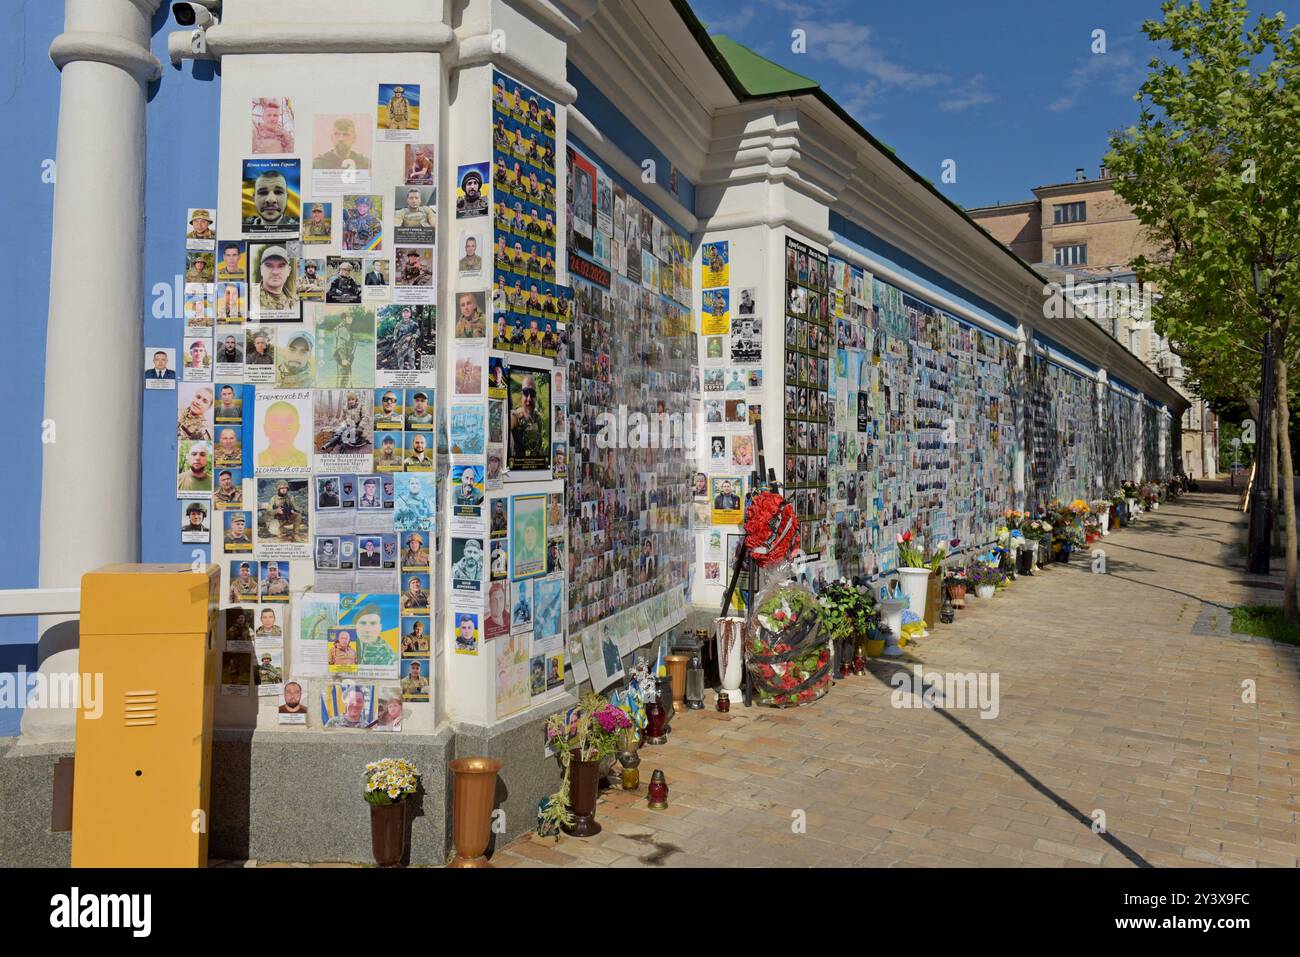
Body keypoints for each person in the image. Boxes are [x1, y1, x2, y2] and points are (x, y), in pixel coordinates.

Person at [257, 401, 307, 468]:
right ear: (265, 429)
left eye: (289, 428)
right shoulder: (257, 460)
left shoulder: (305, 460)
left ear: (297, 429)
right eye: (275, 428)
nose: (282, 434)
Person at [509, 373, 546, 463]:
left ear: (535, 397)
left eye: (532, 393)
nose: (529, 398)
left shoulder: (538, 418)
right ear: (522, 395)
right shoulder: (515, 416)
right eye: (526, 393)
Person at [255, 245, 296, 313]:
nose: (275, 272)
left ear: (289, 271)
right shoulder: (250, 298)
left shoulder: (294, 301)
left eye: (281, 266)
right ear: (261, 270)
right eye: (269, 265)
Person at [332, 312, 356, 386]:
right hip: (343, 357)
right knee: (343, 379)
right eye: (348, 317)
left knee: (344, 377)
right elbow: (340, 345)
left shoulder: (346, 328)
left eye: (351, 317)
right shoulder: (342, 329)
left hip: (347, 356)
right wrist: (343, 359)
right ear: (343, 319)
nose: (350, 319)